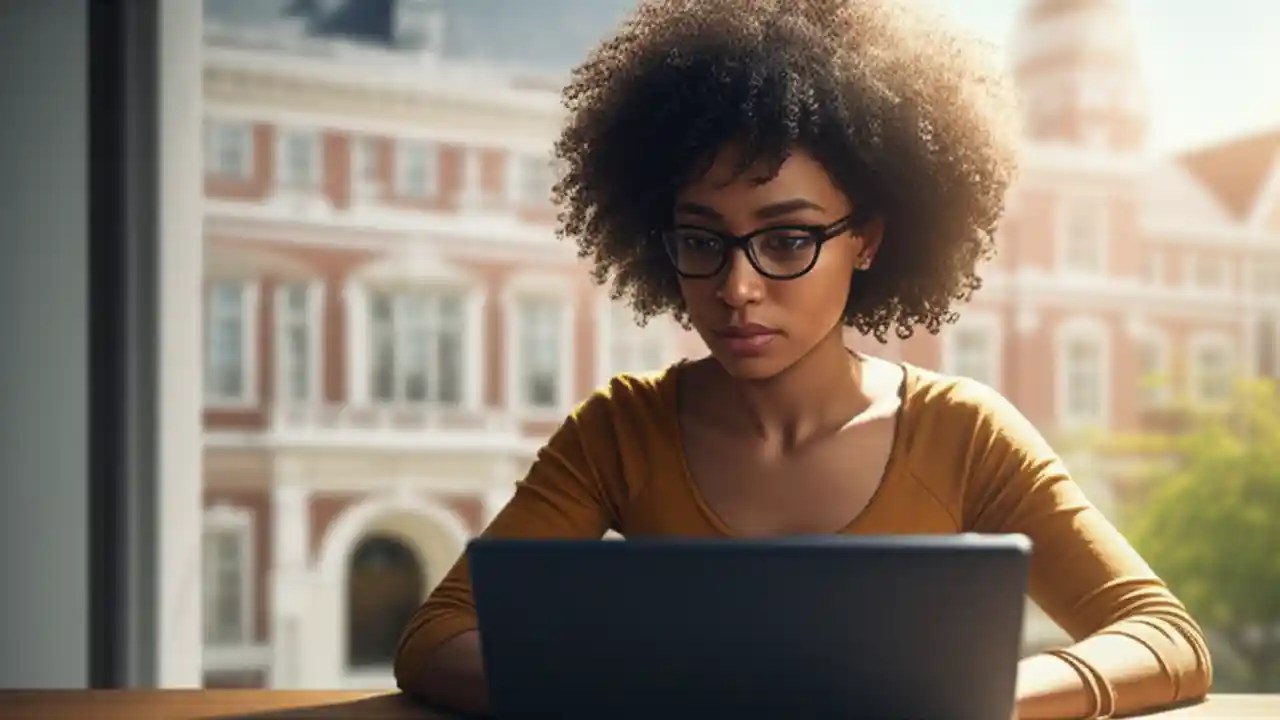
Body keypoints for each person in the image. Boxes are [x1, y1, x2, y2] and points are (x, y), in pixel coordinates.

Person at [393, 0, 1213, 717]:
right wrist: (634, 693)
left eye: (787, 238)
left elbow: (1165, 638)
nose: (736, 286)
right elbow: (437, 636)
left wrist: (960, 700)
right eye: (702, 240)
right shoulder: (620, 429)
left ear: (868, 239)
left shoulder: (962, 433)